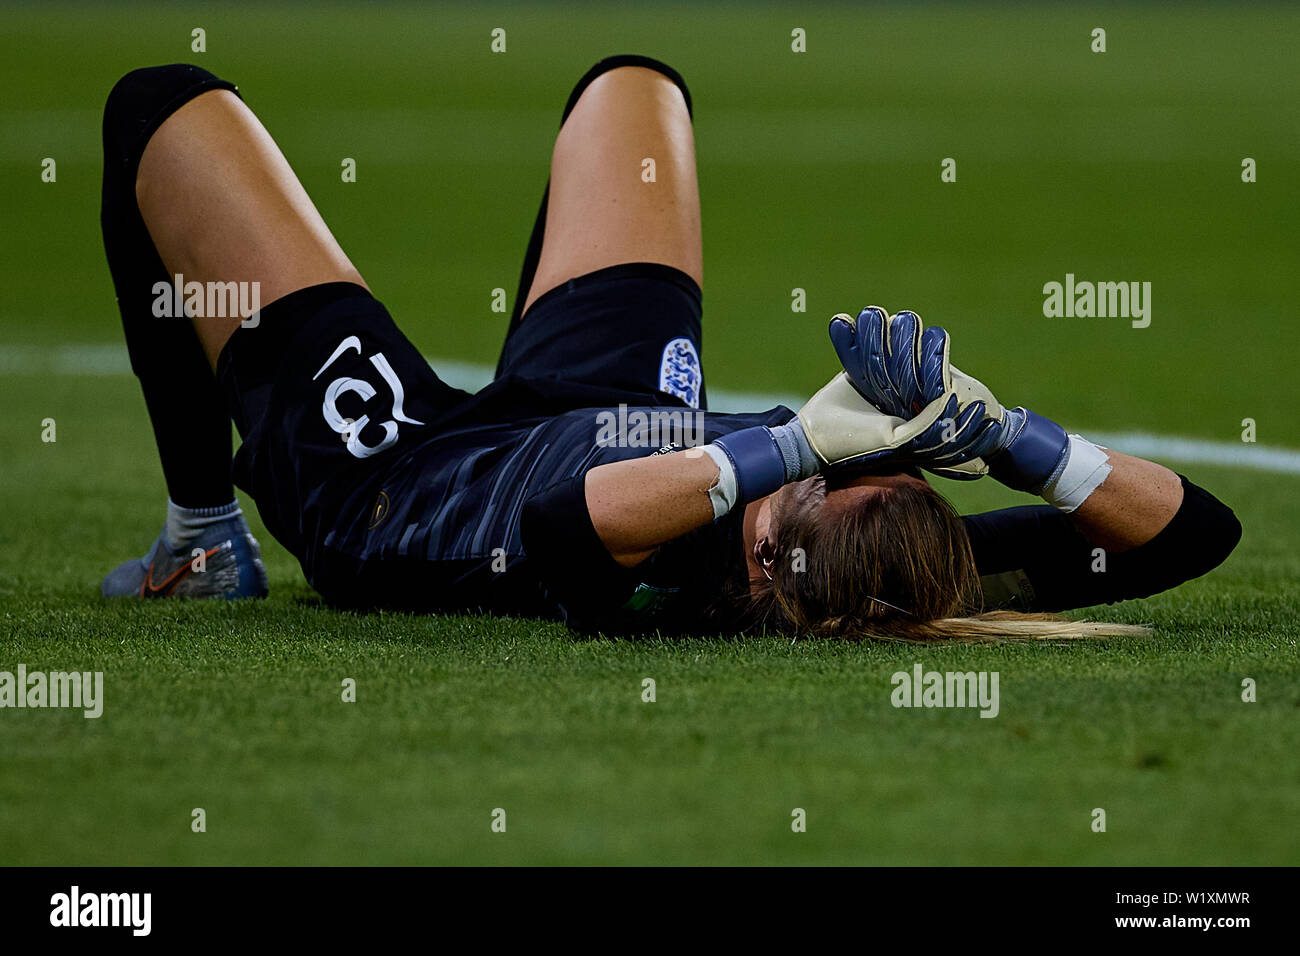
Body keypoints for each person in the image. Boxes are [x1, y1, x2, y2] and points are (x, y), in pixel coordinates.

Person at [98, 57, 1241, 640]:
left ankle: (201, 540)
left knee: (161, 102)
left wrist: (792, 441)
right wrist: (1008, 438)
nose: (846, 464)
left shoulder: (674, 585)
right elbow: (1191, 535)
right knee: (634, 87)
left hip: (403, 481)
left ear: (758, 566)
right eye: (867, 467)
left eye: (815, 485)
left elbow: (565, 522)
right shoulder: (896, 555)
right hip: (610, 399)